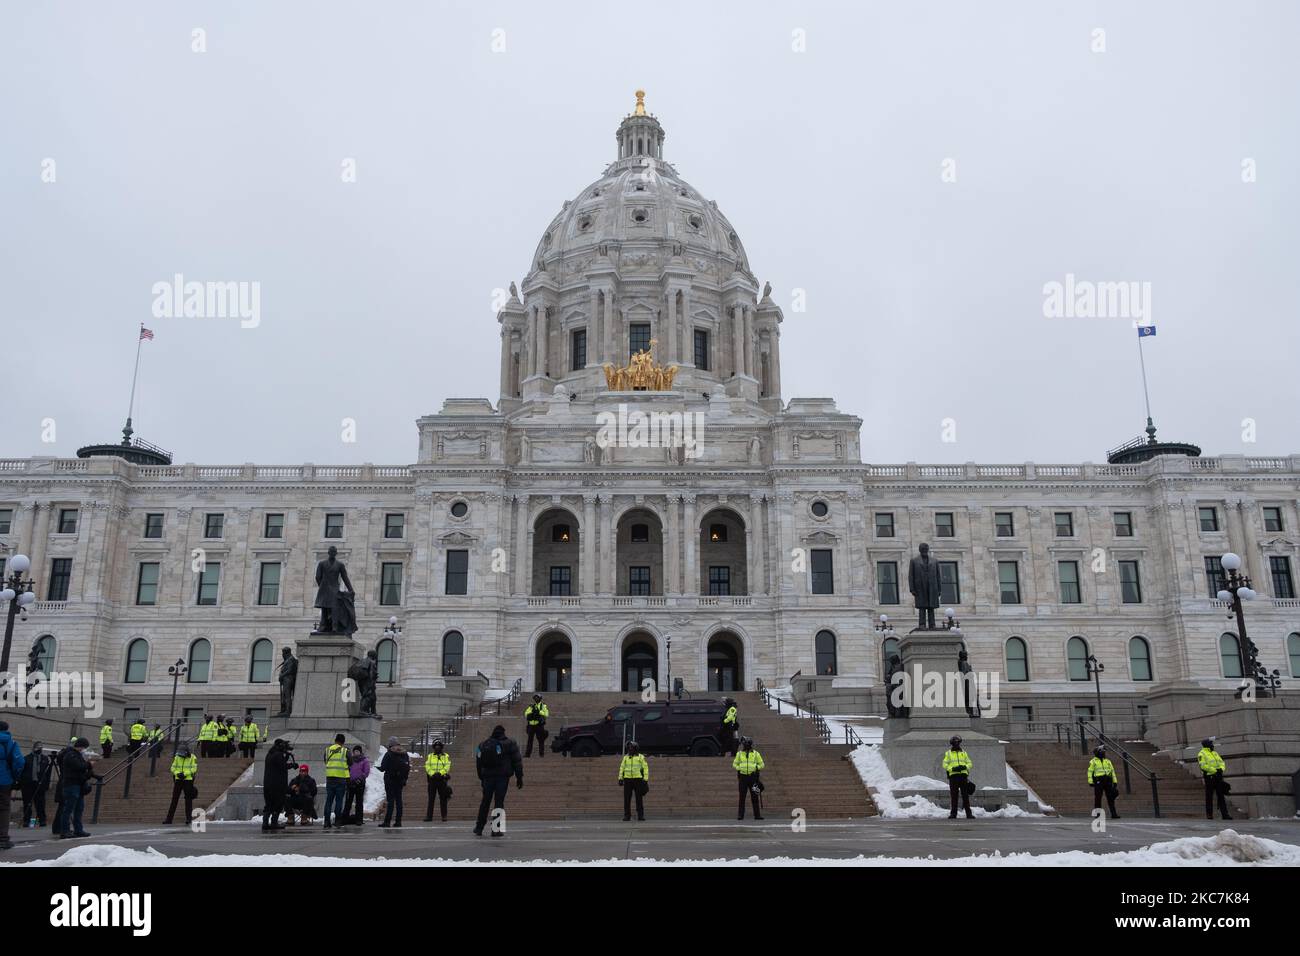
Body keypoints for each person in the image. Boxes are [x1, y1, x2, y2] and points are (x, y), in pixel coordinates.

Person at [474, 724, 522, 837]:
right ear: (503, 733)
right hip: (502, 777)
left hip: (487, 777)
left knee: (485, 801)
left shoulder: (482, 744)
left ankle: (479, 827)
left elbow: (478, 762)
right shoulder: (510, 743)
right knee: (499, 802)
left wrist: (481, 777)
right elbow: (517, 761)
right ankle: (496, 829)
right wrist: (519, 777)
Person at [53, 737, 95, 839]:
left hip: (78, 784)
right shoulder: (70, 755)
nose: (85, 749)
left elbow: (82, 768)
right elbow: (79, 766)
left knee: (79, 809)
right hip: (71, 785)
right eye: (84, 747)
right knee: (68, 809)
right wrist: (89, 764)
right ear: (81, 746)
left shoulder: (77, 755)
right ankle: (65, 830)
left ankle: (78, 830)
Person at [0, 721, 27, 849]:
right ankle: (2, 839)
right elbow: (19, 762)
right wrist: (15, 777)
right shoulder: (11, 743)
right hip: (4, 781)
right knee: (4, 808)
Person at [19, 740, 52, 829]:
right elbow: (22, 772)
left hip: (40, 784)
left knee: (40, 803)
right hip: (28, 784)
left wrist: (46, 784)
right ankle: (26, 820)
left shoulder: (45, 759)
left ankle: (42, 820)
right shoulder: (27, 758)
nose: (39, 749)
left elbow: (48, 773)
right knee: (27, 803)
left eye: (41, 747)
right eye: (38, 747)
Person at [378, 738, 410, 828]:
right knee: (399, 801)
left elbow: (383, 767)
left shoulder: (389, 754)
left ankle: (387, 822)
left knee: (390, 801)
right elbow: (407, 767)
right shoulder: (404, 754)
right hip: (400, 781)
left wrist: (380, 768)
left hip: (390, 780)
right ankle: (398, 821)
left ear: (390, 745)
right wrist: (404, 779)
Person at [1197, 738, 1232, 820]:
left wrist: (1221, 769)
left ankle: (1225, 814)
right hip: (1210, 777)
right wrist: (1214, 770)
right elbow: (1203, 766)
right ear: (1206, 745)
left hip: (1218, 776)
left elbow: (1221, 762)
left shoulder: (1215, 753)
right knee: (1209, 796)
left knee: (1221, 796)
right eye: (1211, 743)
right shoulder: (1201, 754)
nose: (1212, 745)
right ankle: (1209, 814)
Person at [163, 745, 198, 825]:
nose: (181, 755)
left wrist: (185, 774)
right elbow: (172, 768)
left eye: (183, 753)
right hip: (178, 779)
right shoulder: (177, 757)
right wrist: (177, 774)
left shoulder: (193, 757)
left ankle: (189, 819)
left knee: (188, 800)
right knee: (174, 799)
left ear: (187, 752)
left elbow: (194, 769)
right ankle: (169, 819)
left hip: (188, 780)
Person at [322, 733, 351, 829]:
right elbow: (350, 762)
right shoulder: (345, 750)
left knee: (329, 800)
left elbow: (325, 761)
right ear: (343, 742)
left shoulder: (327, 750)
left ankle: (326, 821)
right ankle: (337, 821)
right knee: (339, 801)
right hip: (341, 779)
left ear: (335, 740)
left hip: (329, 778)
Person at [942, 735, 974, 820]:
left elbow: (970, 763)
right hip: (953, 777)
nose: (956, 745)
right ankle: (953, 814)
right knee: (954, 796)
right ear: (952, 744)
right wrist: (952, 768)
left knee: (965, 796)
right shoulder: (948, 753)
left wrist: (965, 767)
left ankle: (969, 814)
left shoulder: (963, 752)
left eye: (958, 743)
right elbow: (944, 764)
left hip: (963, 776)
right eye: (955, 743)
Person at [262, 739, 291, 832]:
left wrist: (286, 757)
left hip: (267, 784)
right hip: (277, 785)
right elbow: (282, 766)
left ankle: (265, 823)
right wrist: (292, 765)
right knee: (278, 804)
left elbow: (277, 764)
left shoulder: (270, 754)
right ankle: (274, 822)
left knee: (268, 804)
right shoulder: (278, 755)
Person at [733, 736, 765, 820]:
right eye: (745, 744)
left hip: (753, 777)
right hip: (743, 778)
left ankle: (757, 815)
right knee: (742, 797)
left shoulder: (756, 754)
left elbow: (762, 764)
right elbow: (734, 764)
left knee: (755, 796)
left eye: (747, 744)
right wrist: (739, 767)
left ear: (750, 744)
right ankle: (740, 815)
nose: (746, 746)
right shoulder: (739, 754)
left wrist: (756, 767)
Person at [618, 741, 649, 822]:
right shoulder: (625, 757)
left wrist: (645, 779)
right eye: (628, 748)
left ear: (635, 748)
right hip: (627, 780)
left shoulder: (640, 757)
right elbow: (622, 768)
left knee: (639, 799)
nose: (630, 749)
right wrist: (620, 778)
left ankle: (640, 815)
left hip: (638, 780)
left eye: (631, 748)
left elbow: (645, 768)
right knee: (627, 799)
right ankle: (627, 816)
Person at [1087, 745, 1120, 819]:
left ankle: (1114, 814)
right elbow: (1089, 772)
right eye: (1102, 752)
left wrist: (1115, 781)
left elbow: (1112, 772)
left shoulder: (1108, 761)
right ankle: (1097, 814)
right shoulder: (1093, 762)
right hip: (1098, 781)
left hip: (1108, 780)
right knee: (1098, 798)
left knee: (1110, 798)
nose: (1104, 753)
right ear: (1098, 753)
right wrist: (1090, 781)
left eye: (1104, 752)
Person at [423, 740, 452, 823]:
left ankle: (444, 816)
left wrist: (440, 773)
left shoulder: (445, 756)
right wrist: (433, 774)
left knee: (443, 799)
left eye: (439, 747)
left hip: (441, 780)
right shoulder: (430, 756)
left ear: (441, 748)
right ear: (433, 748)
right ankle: (429, 816)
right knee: (431, 799)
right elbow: (427, 766)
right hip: (432, 780)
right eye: (436, 747)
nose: (437, 748)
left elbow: (447, 766)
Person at [342, 744, 370, 826]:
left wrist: (360, 779)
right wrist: (348, 780)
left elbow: (366, 771)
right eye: (354, 751)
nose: (356, 753)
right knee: (348, 802)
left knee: (359, 802)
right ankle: (345, 818)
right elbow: (347, 770)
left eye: (357, 751)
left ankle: (359, 819)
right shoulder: (350, 760)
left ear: (360, 752)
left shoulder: (364, 760)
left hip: (360, 784)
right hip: (350, 783)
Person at [524, 694, 549, 758]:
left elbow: (546, 714)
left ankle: (541, 755)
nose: (536, 699)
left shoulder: (543, 706)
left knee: (541, 740)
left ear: (540, 698)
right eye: (535, 698)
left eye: (537, 697)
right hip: (531, 726)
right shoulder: (531, 706)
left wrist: (539, 712)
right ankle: (527, 755)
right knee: (529, 741)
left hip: (539, 725)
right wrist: (532, 712)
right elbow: (526, 713)